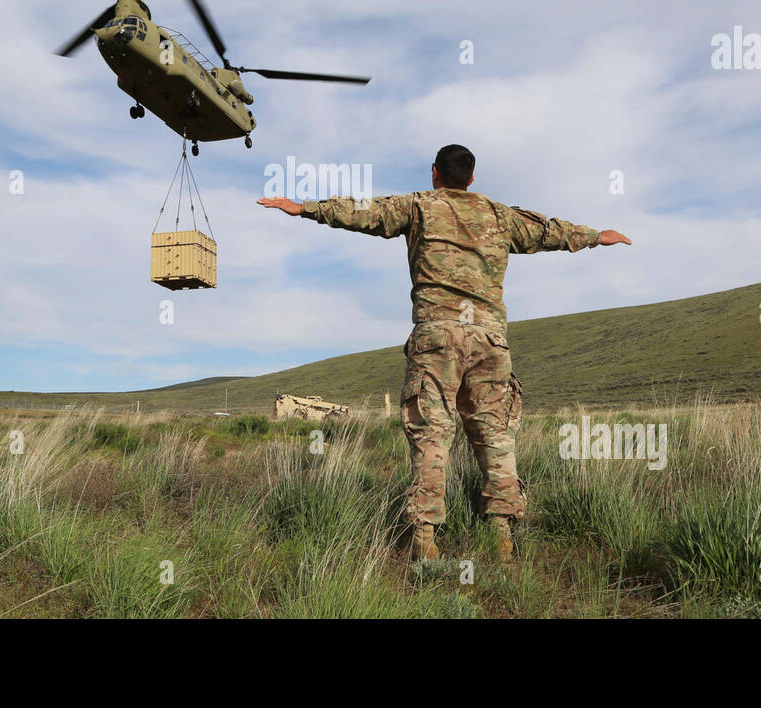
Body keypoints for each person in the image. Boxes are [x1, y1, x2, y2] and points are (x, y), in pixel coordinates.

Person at [257, 144, 631, 561]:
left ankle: (425, 539)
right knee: (495, 436)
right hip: (489, 340)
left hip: (436, 337)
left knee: (431, 437)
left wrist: (302, 207)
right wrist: (598, 236)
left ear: (435, 173)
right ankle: (502, 536)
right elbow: (550, 231)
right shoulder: (499, 215)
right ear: (471, 179)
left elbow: (363, 212)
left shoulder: (418, 206)